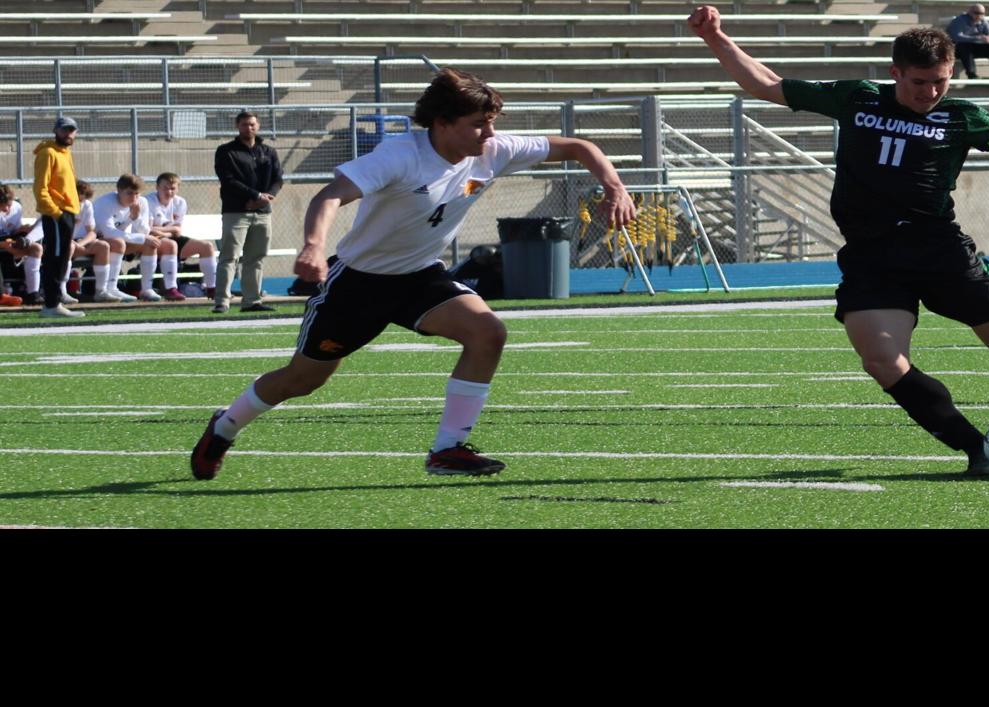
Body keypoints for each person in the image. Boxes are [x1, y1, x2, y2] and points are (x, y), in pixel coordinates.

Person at [688, 5, 989, 476]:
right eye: (920, 82)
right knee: (882, 361)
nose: (931, 91)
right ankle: (975, 448)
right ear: (896, 73)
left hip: (939, 250)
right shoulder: (856, 98)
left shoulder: (962, 117)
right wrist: (714, 36)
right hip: (872, 258)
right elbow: (764, 84)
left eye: (941, 81)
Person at [189, 68, 636, 481]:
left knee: (488, 333)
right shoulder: (400, 155)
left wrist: (614, 186)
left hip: (420, 277)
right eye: (480, 122)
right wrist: (313, 247)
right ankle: (225, 426)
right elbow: (329, 196)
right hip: (358, 283)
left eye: (492, 121)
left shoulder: (492, 152)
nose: (491, 132)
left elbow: (580, 148)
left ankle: (448, 449)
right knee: (303, 380)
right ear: (442, 123)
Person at [214, 111, 283, 314]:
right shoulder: (226, 151)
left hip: (263, 212)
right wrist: (254, 195)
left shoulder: (268, 151)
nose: (249, 128)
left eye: (252, 124)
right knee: (229, 257)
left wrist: (267, 196)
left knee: (256, 257)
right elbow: (228, 180)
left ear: (258, 125)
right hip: (236, 212)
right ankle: (222, 302)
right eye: (244, 124)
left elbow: (278, 179)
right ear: (237, 126)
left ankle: (252, 301)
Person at [31, 115, 84, 317]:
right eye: (64, 130)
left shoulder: (65, 153)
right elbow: (40, 188)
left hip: (67, 212)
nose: (68, 134)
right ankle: (51, 304)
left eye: (72, 130)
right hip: (56, 214)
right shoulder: (48, 153)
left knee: (62, 258)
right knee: (54, 257)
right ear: (56, 130)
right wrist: (56, 213)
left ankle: (54, 302)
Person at [147, 172, 217, 301]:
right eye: (165, 188)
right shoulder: (148, 201)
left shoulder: (180, 202)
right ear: (157, 187)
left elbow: (178, 231)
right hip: (151, 241)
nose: (169, 192)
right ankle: (171, 289)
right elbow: (148, 230)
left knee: (207, 246)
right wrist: (170, 231)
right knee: (171, 244)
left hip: (168, 238)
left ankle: (212, 289)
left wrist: (166, 232)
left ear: (177, 189)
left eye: (172, 188)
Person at [65, 181, 133, 304]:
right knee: (68, 247)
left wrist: (80, 244)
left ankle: (101, 291)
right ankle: (61, 292)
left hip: (80, 243)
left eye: (82, 199)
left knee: (103, 246)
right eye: (76, 198)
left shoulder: (87, 205)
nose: (79, 203)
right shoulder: (60, 205)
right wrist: (73, 244)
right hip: (62, 242)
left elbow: (92, 232)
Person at [93, 174, 158, 301]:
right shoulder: (105, 202)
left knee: (151, 243)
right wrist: (141, 238)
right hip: (96, 239)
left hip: (120, 239)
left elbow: (145, 231)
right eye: (129, 193)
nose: (134, 197)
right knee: (119, 243)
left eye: (137, 193)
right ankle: (111, 288)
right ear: (118, 190)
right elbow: (108, 232)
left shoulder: (141, 202)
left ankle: (147, 289)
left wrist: (135, 217)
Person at [0, 184, 46, 305]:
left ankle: (33, 293)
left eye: (8, 205)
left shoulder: (17, 207)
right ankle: (2, 295)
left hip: (11, 241)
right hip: (2, 244)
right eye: (2, 206)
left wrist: (23, 230)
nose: (6, 209)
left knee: (37, 248)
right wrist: (3, 245)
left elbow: (13, 231)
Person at [947, 4, 989, 80]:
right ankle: (971, 74)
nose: (979, 16)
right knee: (965, 45)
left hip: (975, 48)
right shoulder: (959, 20)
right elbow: (956, 37)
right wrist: (977, 38)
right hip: (958, 49)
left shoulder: (983, 21)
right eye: (976, 13)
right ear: (970, 12)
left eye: (982, 14)